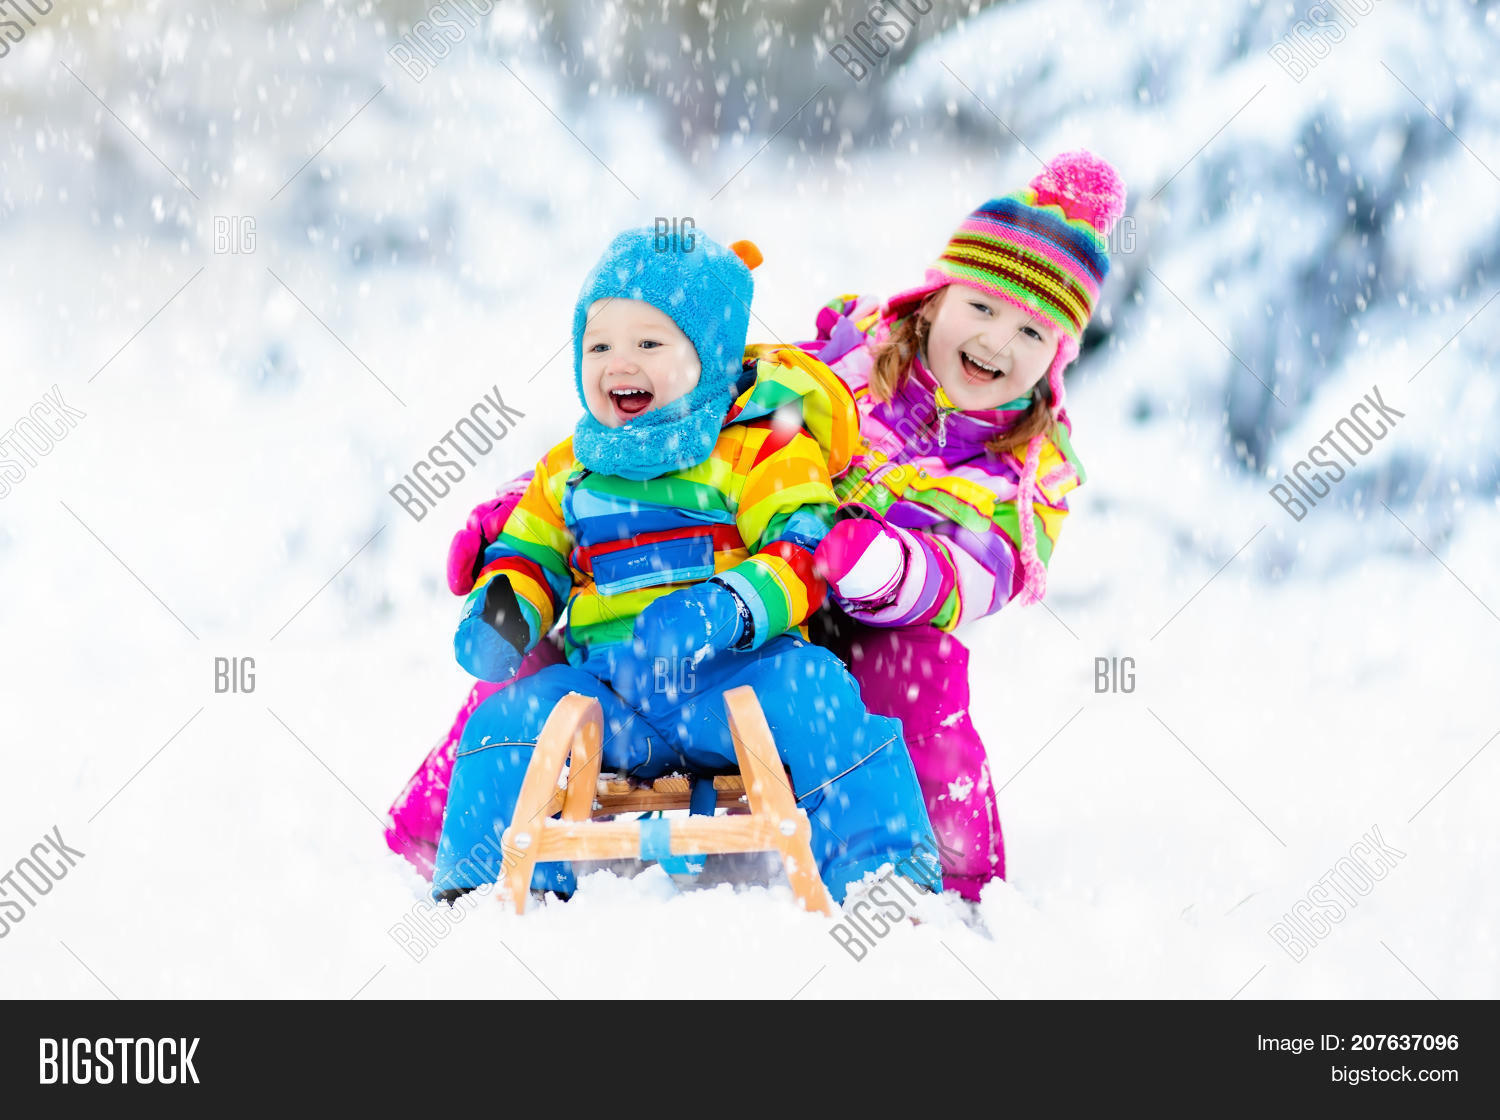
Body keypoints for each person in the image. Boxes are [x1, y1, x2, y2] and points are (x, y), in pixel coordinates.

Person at [430, 226, 940, 903]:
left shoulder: (756, 448)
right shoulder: (568, 471)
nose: (619, 363)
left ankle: (882, 872)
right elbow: (528, 554)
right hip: (609, 695)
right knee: (506, 723)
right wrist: (503, 614)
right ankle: (477, 893)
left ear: (711, 357)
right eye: (598, 345)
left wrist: (726, 607)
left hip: (735, 681)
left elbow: (803, 544)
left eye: (648, 343)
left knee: (820, 695)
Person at [806, 149, 1126, 899]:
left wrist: (889, 572)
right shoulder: (846, 368)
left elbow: (981, 573)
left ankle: (958, 879)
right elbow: (743, 432)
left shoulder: (1022, 475)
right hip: (767, 587)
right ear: (935, 299)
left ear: (1056, 357)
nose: (995, 343)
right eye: (981, 307)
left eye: (1031, 332)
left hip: (876, 639)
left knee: (922, 668)